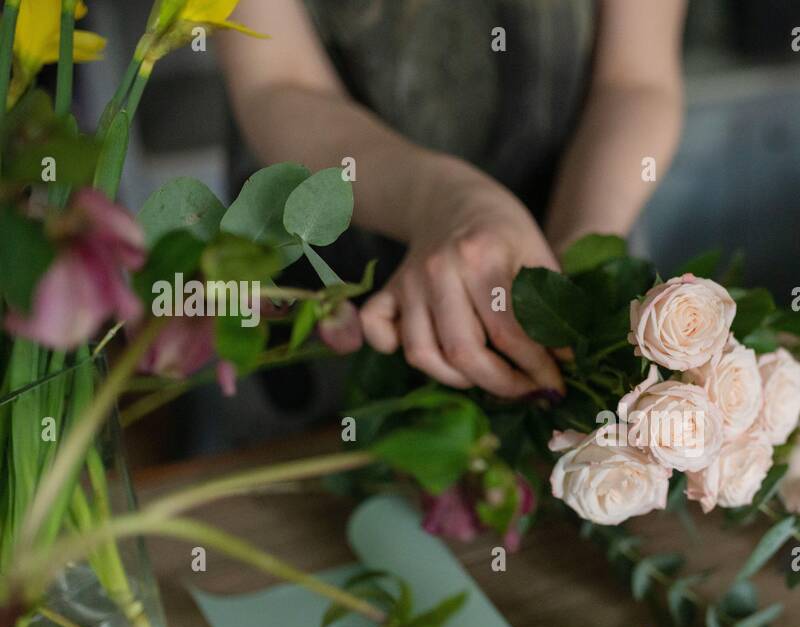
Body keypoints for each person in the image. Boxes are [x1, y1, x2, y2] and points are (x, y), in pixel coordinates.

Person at [218, 0, 686, 398]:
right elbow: (275, 81)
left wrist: (574, 269)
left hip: (580, 198)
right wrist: (442, 202)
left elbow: (635, 80)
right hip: (328, 257)